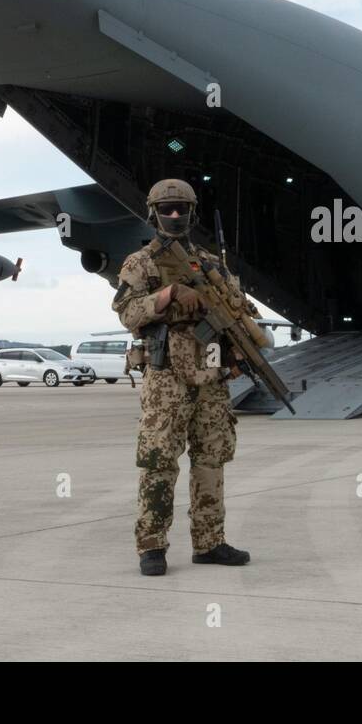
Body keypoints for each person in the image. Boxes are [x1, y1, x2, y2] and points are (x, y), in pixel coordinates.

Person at [112, 178, 250, 577]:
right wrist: (168, 294)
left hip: (210, 374)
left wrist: (237, 353)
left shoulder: (210, 263)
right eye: (167, 209)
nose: (175, 215)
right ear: (154, 213)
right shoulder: (141, 263)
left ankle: (209, 543)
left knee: (212, 458)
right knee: (159, 461)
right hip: (166, 375)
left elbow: (236, 312)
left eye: (182, 209)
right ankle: (151, 546)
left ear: (193, 212)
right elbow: (126, 313)